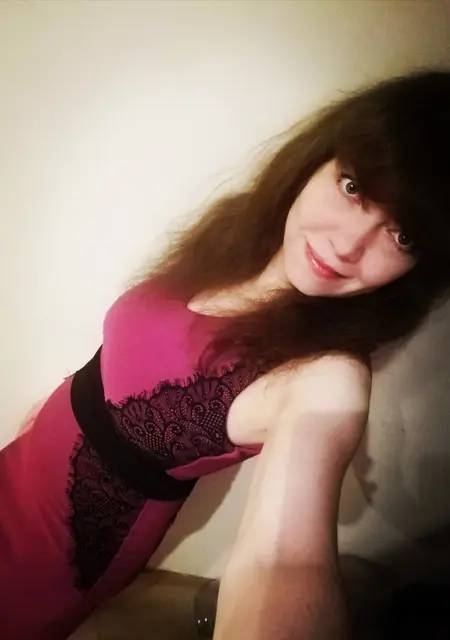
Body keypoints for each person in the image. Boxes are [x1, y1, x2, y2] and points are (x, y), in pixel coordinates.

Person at [1, 69, 450, 639]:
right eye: (353, 187)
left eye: (403, 235)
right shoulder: (238, 234)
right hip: (18, 466)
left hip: (58, 549)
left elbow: (285, 563)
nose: (346, 244)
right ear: (320, 159)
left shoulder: (323, 376)